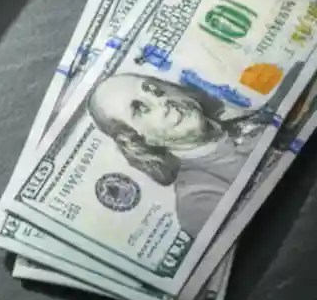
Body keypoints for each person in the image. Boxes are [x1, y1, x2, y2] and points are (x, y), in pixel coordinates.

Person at [86, 73, 277, 238]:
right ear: (137, 140)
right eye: (140, 108)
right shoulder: (199, 201)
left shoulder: (249, 109)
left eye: (152, 89)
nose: (162, 101)